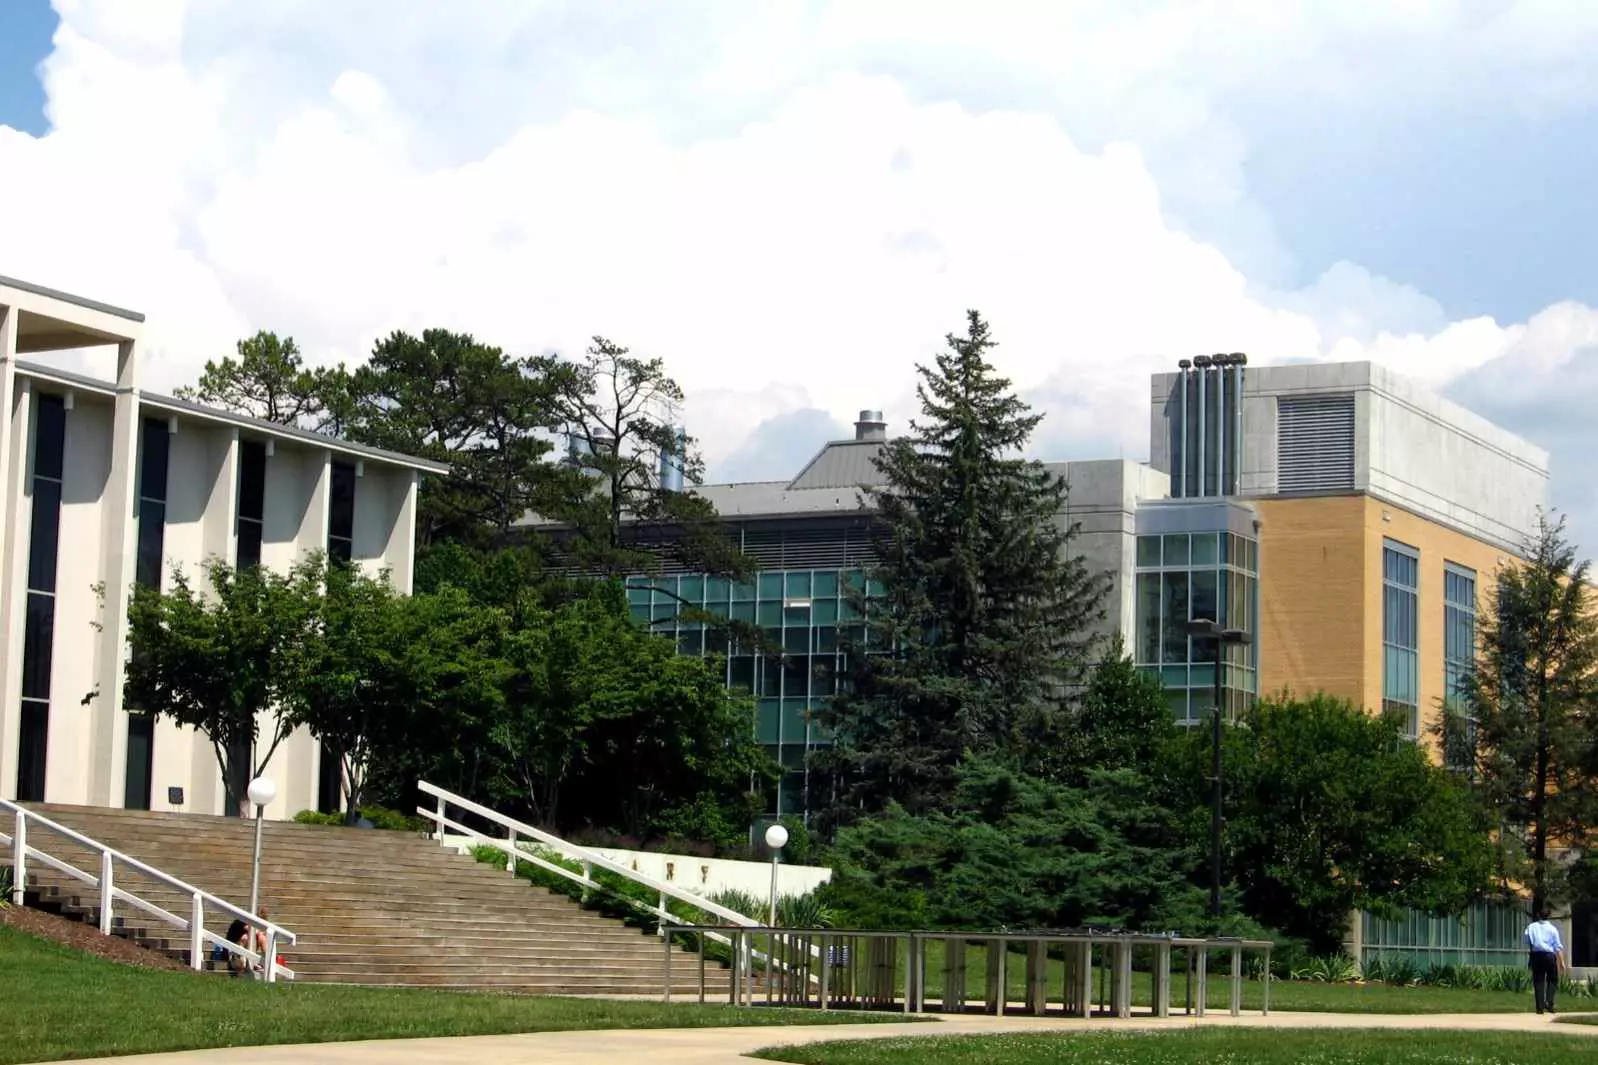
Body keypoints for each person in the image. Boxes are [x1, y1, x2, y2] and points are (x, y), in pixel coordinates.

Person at [1524, 908, 1566, 1014]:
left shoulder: (1531, 927)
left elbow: (1526, 940)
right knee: (1552, 979)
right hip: (1549, 956)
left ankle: (1539, 1007)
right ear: (1549, 916)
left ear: (1538, 915)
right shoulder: (1552, 929)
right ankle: (1549, 1002)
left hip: (1536, 955)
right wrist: (1562, 962)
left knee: (1538, 980)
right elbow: (1558, 947)